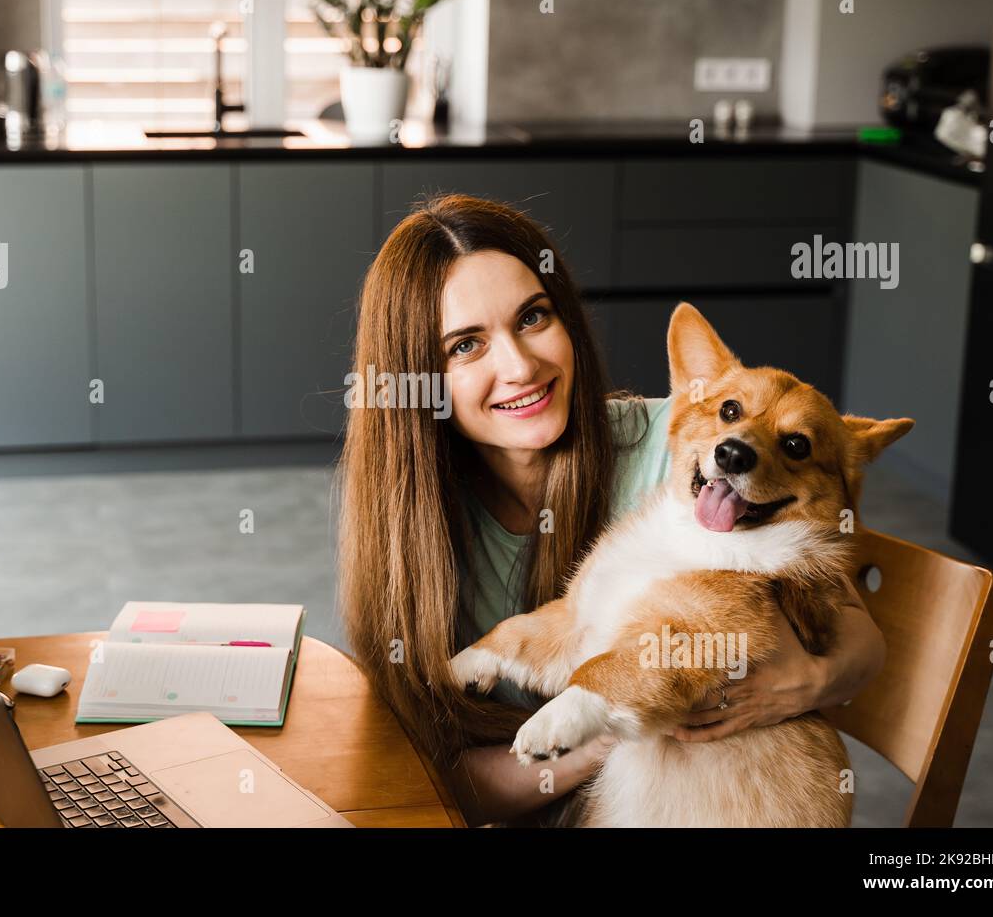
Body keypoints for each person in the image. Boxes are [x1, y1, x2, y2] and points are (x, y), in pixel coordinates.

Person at [335, 194, 886, 827]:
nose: (519, 366)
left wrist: (805, 684)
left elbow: (852, 634)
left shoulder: (678, 445)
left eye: (534, 317)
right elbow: (429, 779)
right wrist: (606, 724)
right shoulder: (412, 516)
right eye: (465, 345)